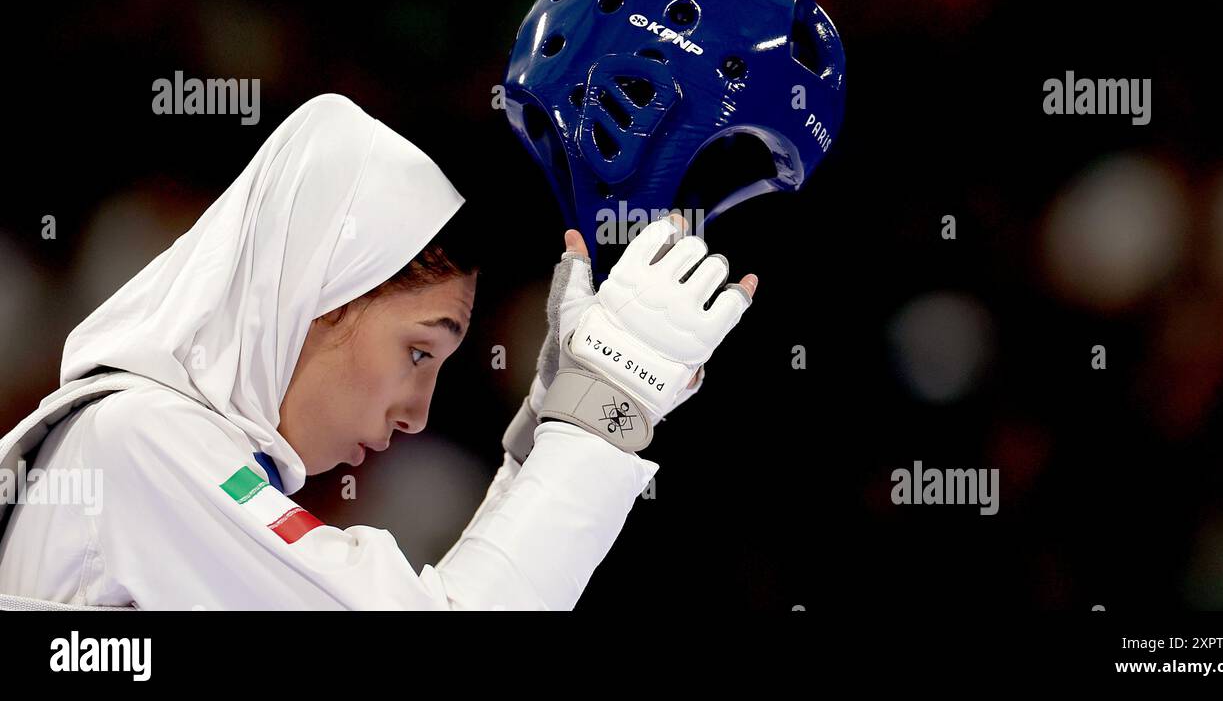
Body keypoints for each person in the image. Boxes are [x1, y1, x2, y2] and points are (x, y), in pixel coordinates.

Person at [0, 93, 755, 610]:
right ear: (315, 296)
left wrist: (548, 442)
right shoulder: (138, 439)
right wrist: (597, 418)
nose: (418, 416)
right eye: (419, 352)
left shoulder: (139, 442)